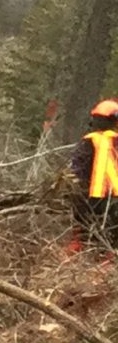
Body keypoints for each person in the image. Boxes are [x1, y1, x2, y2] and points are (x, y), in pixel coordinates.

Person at [72, 97, 118, 252]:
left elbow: (77, 170)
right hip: (113, 197)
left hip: (87, 197)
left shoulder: (87, 141)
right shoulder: (115, 141)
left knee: (85, 234)